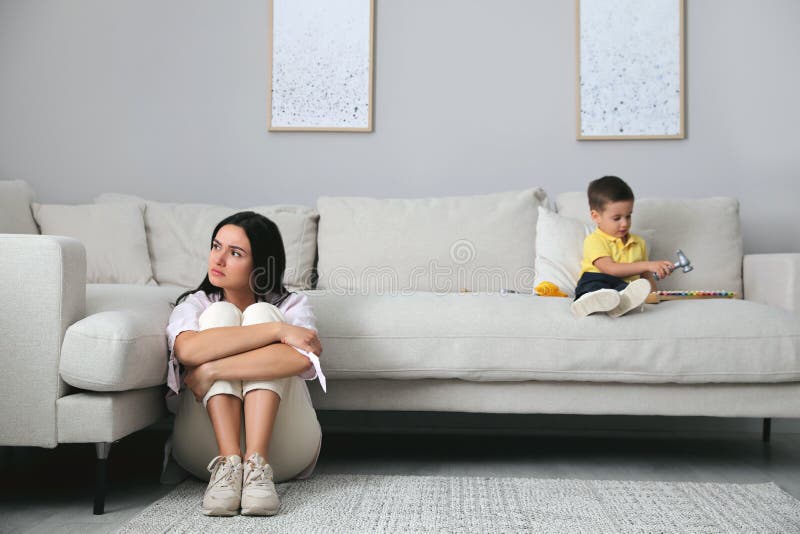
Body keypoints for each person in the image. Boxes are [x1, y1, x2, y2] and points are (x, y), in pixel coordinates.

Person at [165, 211, 326, 517]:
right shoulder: (195, 303)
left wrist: (212, 370)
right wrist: (277, 332)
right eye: (216, 246)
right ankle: (228, 464)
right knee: (220, 315)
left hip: (284, 450)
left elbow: (298, 357)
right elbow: (188, 350)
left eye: (235, 253)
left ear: (260, 265)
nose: (219, 259)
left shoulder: (291, 305)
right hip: (205, 450)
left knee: (262, 311)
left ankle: (256, 465)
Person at [571, 176, 674, 318]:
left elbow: (645, 275)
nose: (625, 223)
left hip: (622, 287)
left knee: (628, 290)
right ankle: (587, 302)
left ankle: (618, 305)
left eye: (628, 216)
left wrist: (652, 295)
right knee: (595, 287)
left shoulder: (639, 243)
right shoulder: (594, 240)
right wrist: (648, 265)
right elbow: (610, 269)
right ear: (596, 217)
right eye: (617, 218)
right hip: (597, 281)